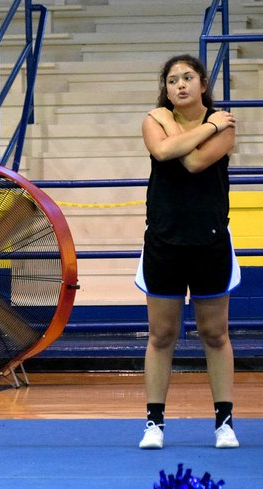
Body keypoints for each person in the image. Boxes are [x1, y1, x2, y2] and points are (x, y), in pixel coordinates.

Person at [136, 54, 240, 449]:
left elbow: (195, 162)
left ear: (202, 83)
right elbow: (162, 155)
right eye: (172, 80)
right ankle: (154, 424)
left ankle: (224, 422)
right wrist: (172, 127)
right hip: (163, 240)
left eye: (188, 77)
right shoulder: (152, 121)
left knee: (215, 334)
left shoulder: (224, 124)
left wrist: (209, 124)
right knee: (161, 335)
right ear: (165, 88)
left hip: (210, 241)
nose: (180, 85)